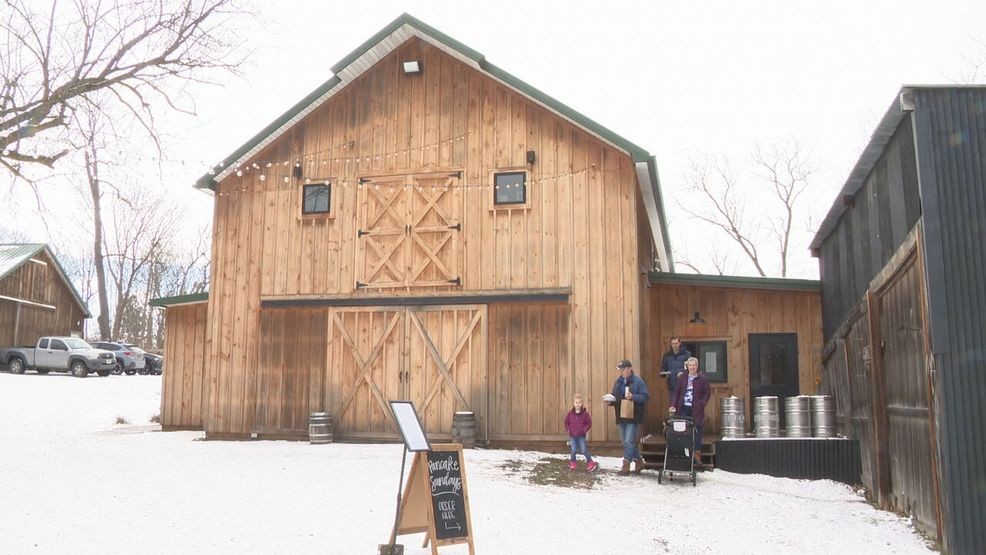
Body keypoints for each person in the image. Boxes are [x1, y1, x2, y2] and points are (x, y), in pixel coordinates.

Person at [605, 359, 650, 476]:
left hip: (634, 416)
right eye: (620, 370)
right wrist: (611, 401)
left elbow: (645, 396)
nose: (621, 372)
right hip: (621, 415)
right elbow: (615, 396)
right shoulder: (618, 382)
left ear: (629, 369)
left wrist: (633, 396)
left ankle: (626, 464)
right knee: (625, 441)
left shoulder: (638, 381)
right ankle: (639, 460)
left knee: (629, 441)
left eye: (623, 369)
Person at [670, 356, 710, 469]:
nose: (692, 367)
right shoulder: (683, 378)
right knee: (683, 431)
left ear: (697, 366)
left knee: (697, 431)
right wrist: (673, 405)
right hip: (683, 407)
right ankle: (685, 454)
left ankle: (697, 456)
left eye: (694, 365)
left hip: (696, 409)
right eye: (690, 365)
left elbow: (707, 393)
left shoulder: (702, 379)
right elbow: (676, 393)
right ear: (687, 366)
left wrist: (702, 403)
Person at [564, 394, 597, 472]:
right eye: (576, 402)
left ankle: (590, 462)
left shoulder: (585, 414)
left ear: (581, 403)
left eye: (579, 402)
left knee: (583, 449)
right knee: (573, 449)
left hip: (581, 435)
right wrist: (568, 429)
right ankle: (573, 462)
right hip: (572, 435)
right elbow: (566, 422)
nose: (578, 404)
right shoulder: (570, 413)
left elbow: (589, 423)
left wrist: (584, 430)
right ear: (573, 403)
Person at [659, 337, 691, 405]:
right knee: (673, 406)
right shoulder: (667, 355)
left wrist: (683, 372)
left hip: (684, 385)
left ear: (679, 343)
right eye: (673, 343)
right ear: (671, 344)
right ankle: (673, 416)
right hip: (672, 385)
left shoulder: (686, 354)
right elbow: (662, 369)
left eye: (676, 343)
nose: (675, 345)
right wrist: (664, 373)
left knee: (684, 405)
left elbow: (691, 368)